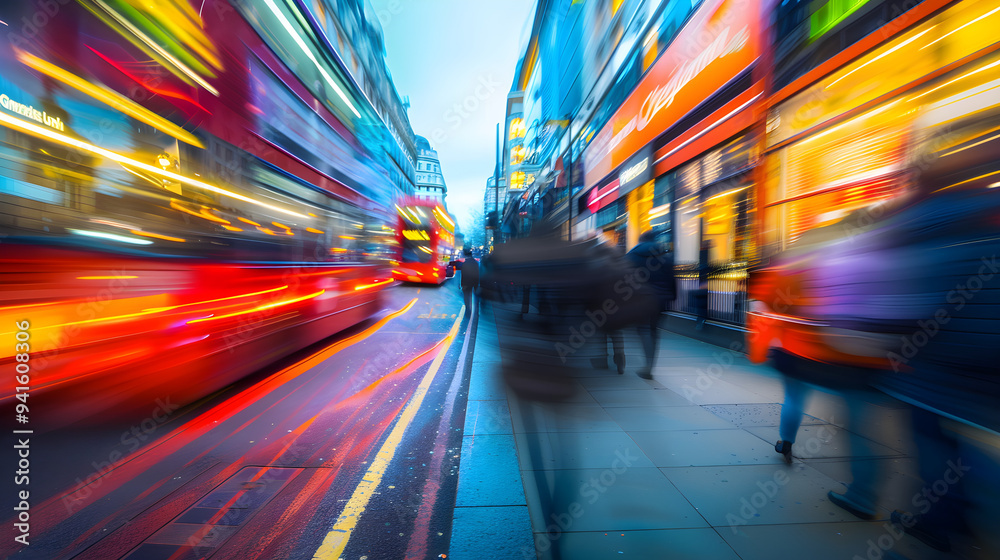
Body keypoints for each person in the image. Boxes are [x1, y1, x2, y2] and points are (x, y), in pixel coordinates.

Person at [626, 231, 676, 379]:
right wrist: (672, 297)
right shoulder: (665, 257)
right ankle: (650, 365)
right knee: (653, 331)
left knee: (642, 329)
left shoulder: (631, 256)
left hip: (639, 298)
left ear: (640, 240)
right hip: (660, 300)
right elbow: (672, 280)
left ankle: (646, 364)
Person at [459, 248, 479, 316]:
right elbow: (477, 273)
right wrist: (476, 284)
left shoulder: (465, 263)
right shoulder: (475, 263)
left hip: (466, 282)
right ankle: (476, 311)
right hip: (474, 282)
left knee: (467, 296)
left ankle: (468, 309)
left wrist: (461, 284)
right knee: (474, 296)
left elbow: (463, 274)